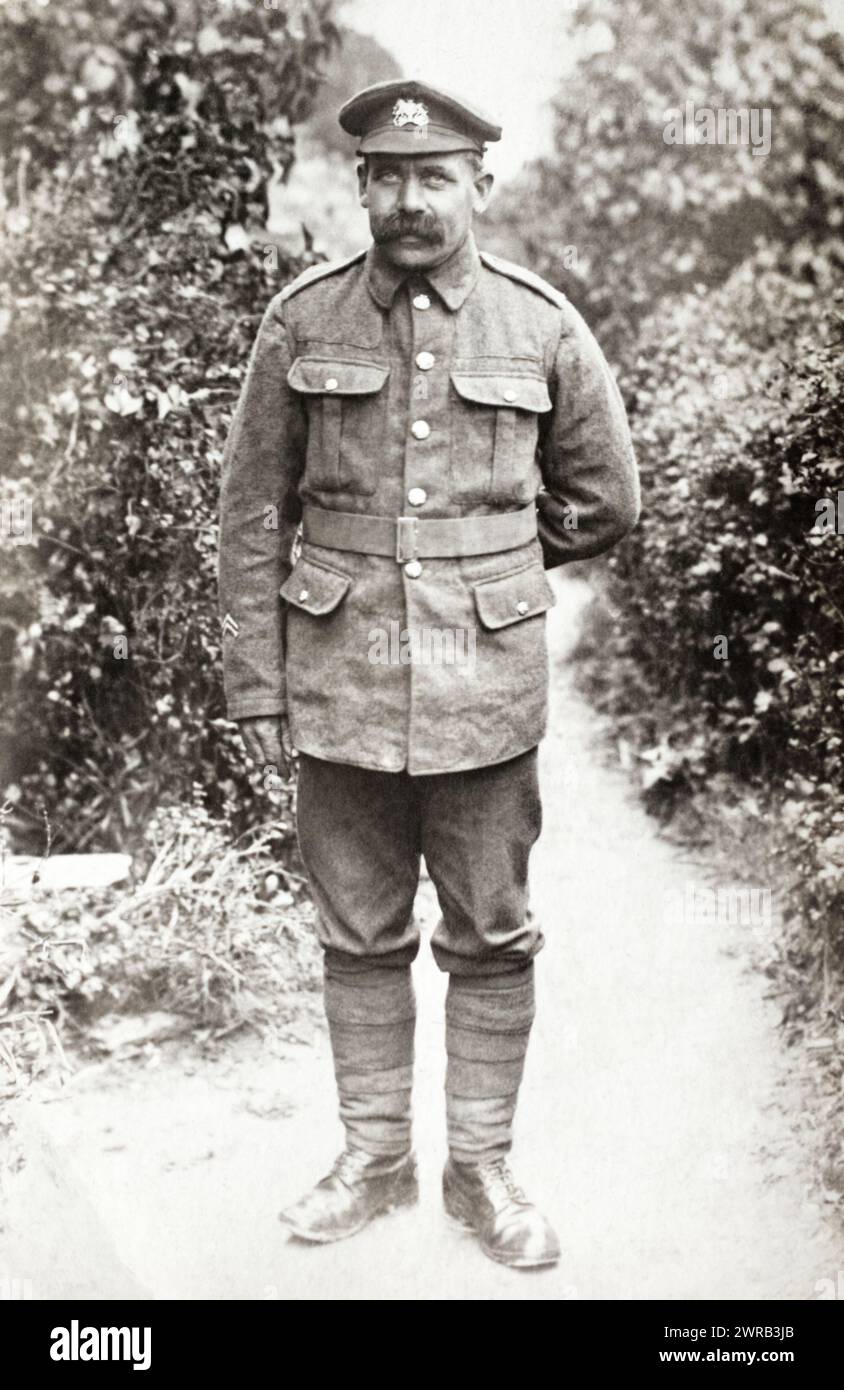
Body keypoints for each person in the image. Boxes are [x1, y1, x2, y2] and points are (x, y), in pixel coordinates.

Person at [217, 78, 640, 1269]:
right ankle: (372, 1157)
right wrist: (259, 684)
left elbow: (608, 498)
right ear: (362, 185)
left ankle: (481, 1167)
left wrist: (489, 563)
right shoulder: (302, 321)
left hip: (484, 689)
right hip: (338, 682)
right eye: (389, 178)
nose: (409, 200)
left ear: (477, 187)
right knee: (355, 933)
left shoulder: (540, 323)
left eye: (433, 177)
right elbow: (250, 511)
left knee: (492, 935)